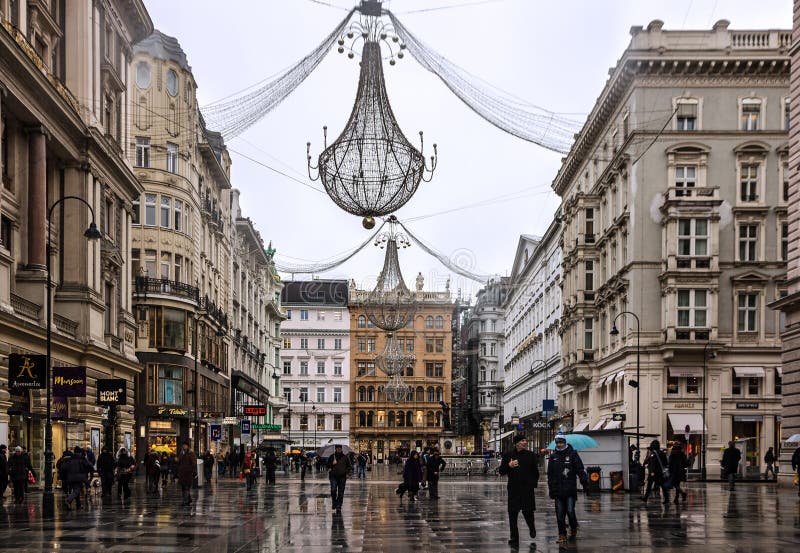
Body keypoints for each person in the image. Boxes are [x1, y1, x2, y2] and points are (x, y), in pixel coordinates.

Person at [547, 433, 588, 545]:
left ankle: (573, 525)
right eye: (558, 442)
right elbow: (550, 474)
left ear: (565, 443)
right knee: (560, 514)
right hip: (558, 490)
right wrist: (551, 489)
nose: (559, 444)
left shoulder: (573, 454)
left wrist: (584, 482)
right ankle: (562, 534)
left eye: (561, 442)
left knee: (570, 511)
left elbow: (580, 469)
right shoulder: (553, 456)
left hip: (570, 489)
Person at [499, 434, 540, 546]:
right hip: (514, 489)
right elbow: (501, 471)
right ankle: (514, 537)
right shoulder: (508, 455)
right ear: (516, 443)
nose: (525, 442)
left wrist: (532, 484)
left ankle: (532, 527)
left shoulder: (530, 455)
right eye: (522, 441)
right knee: (512, 514)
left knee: (528, 512)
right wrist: (509, 465)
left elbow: (535, 473)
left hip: (527, 490)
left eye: (525, 440)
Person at [327, 445, 352, 511]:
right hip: (333, 476)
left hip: (342, 477)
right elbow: (327, 465)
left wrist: (345, 471)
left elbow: (349, 466)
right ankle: (334, 502)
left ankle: (339, 505)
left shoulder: (345, 457)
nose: (339, 449)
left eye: (340, 448)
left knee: (341, 492)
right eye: (337, 448)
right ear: (335, 449)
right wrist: (332, 464)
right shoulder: (332, 456)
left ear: (341, 449)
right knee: (333, 490)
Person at [177, 441, 197, 505]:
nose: (183, 446)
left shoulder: (191, 453)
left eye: (185, 445)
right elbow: (179, 462)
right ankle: (189, 499)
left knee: (186, 488)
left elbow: (194, 463)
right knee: (183, 488)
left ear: (187, 446)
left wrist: (192, 471)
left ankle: (185, 501)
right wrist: (177, 460)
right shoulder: (181, 453)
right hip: (182, 473)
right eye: (183, 445)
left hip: (188, 473)